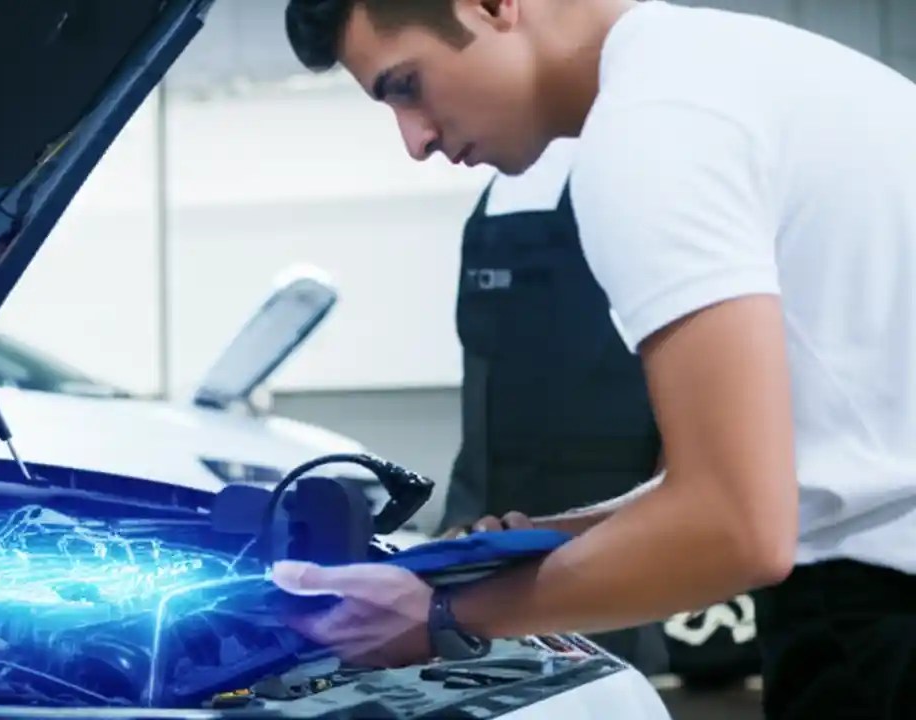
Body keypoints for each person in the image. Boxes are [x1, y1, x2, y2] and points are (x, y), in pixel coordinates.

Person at [270, 2, 916, 717]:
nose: (414, 140)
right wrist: (561, 538)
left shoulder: (648, 132)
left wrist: (443, 618)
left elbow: (737, 527)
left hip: (880, 634)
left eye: (406, 85)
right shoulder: (760, 71)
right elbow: (816, 465)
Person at [438, 139, 671, 675]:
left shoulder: (631, 187)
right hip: (487, 528)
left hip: (605, 532)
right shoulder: (495, 198)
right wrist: (459, 526)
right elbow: (482, 388)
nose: (420, 141)